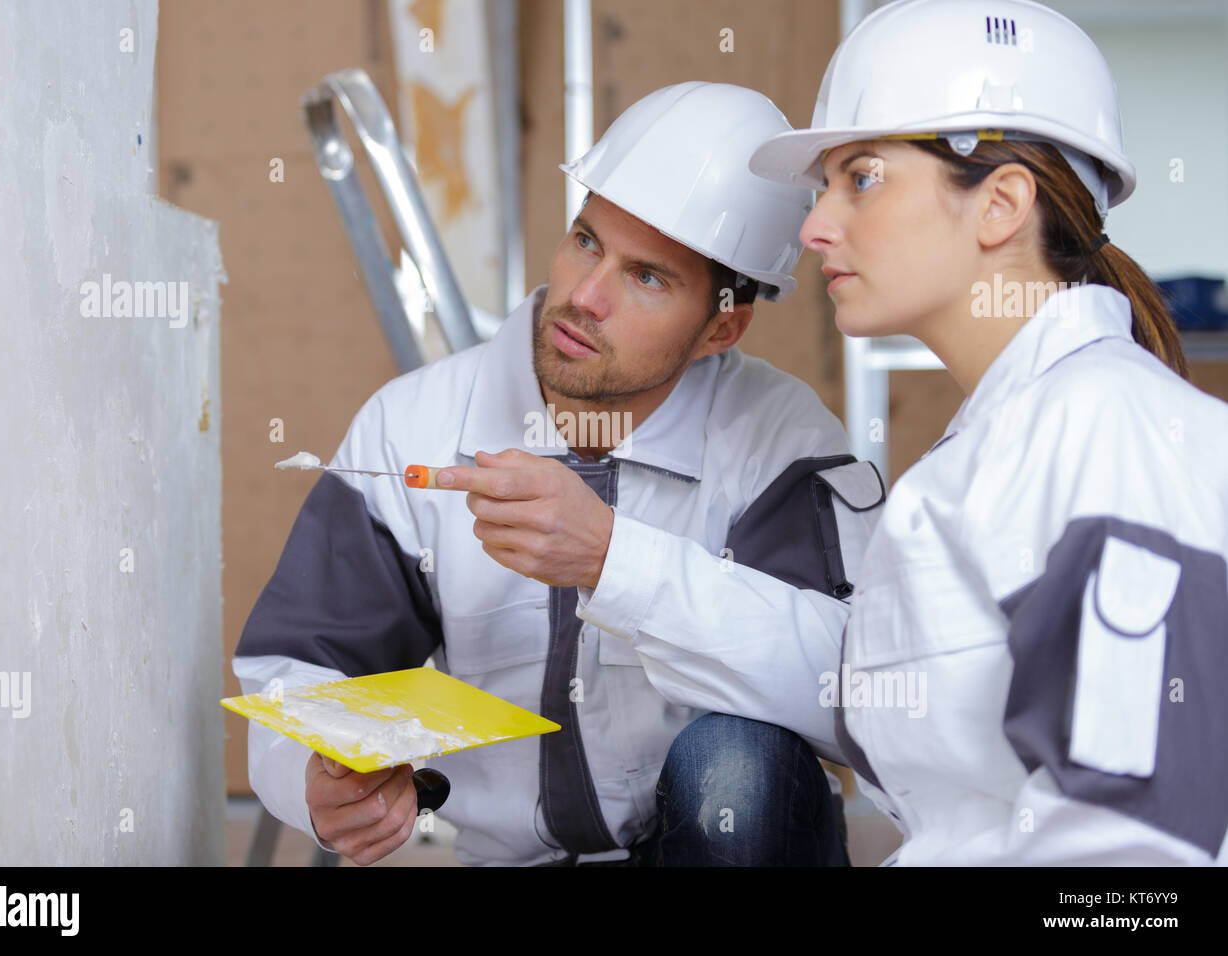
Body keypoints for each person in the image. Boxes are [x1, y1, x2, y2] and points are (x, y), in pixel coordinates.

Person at [234, 81, 885, 866]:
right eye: (586, 241)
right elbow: (299, 666)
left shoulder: (777, 442)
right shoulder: (416, 423)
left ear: (722, 326)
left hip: (709, 851)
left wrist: (617, 562)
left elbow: (857, 691)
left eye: (646, 277)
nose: (583, 297)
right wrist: (310, 778)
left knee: (739, 764)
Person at [749, 0, 1228, 864]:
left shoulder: (1099, 427)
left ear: (1001, 203)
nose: (816, 226)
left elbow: (1140, 851)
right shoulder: (1019, 435)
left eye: (859, 177)